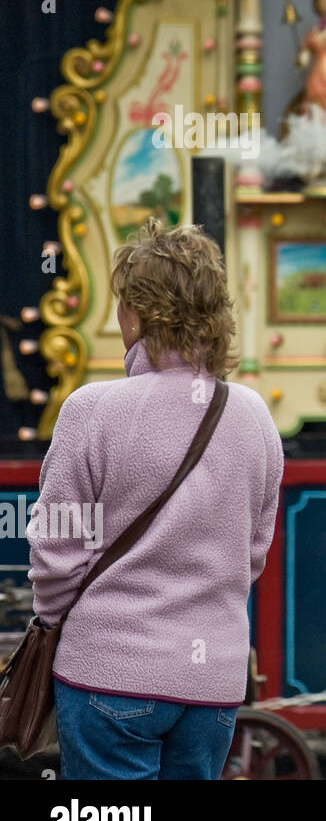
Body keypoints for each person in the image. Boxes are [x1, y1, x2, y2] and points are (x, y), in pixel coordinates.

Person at [27, 218, 282, 780]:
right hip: (211, 683)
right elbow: (253, 552)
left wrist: (53, 620)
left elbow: (57, 551)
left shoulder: (91, 411)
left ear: (137, 313)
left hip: (108, 673)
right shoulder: (254, 416)